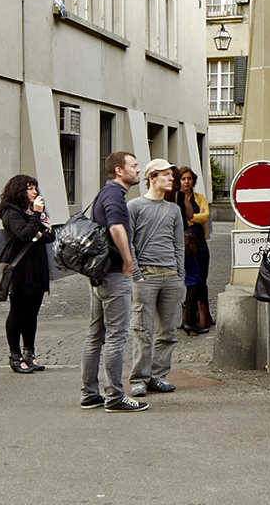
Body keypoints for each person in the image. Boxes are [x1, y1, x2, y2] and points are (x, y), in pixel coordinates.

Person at [81, 151, 145, 412]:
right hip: (114, 274)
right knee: (116, 336)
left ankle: (89, 393)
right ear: (120, 170)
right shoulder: (115, 195)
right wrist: (128, 261)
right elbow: (116, 228)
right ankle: (115, 397)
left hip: (98, 275)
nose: (138, 170)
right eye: (134, 165)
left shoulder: (104, 192)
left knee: (96, 334)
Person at [128, 159, 185, 399]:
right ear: (152, 177)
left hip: (170, 277)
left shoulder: (174, 209)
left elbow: (179, 244)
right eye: (166, 175)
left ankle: (158, 376)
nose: (172, 179)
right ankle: (138, 379)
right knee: (142, 330)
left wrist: (180, 276)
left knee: (168, 332)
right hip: (146, 277)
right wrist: (137, 275)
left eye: (172, 175)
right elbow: (128, 242)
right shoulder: (135, 206)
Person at [0, 174, 54, 374]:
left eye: (36, 188)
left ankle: (30, 353)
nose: (35, 192)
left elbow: (50, 236)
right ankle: (15, 356)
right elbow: (26, 234)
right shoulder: (11, 212)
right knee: (18, 311)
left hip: (37, 267)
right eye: (30, 188)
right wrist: (36, 219)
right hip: (19, 268)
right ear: (20, 190)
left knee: (32, 313)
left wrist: (37, 223)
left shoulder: (33, 212)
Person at [173, 166, 213, 334]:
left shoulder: (199, 198)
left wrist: (192, 218)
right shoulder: (176, 198)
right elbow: (181, 219)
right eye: (183, 179)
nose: (186, 182)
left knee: (201, 281)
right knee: (192, 282)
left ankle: (204, 316)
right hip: (186, 246)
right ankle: (189, 318)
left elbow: (205, 216)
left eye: (189, 179)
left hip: (200, 244)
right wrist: (193, 218)